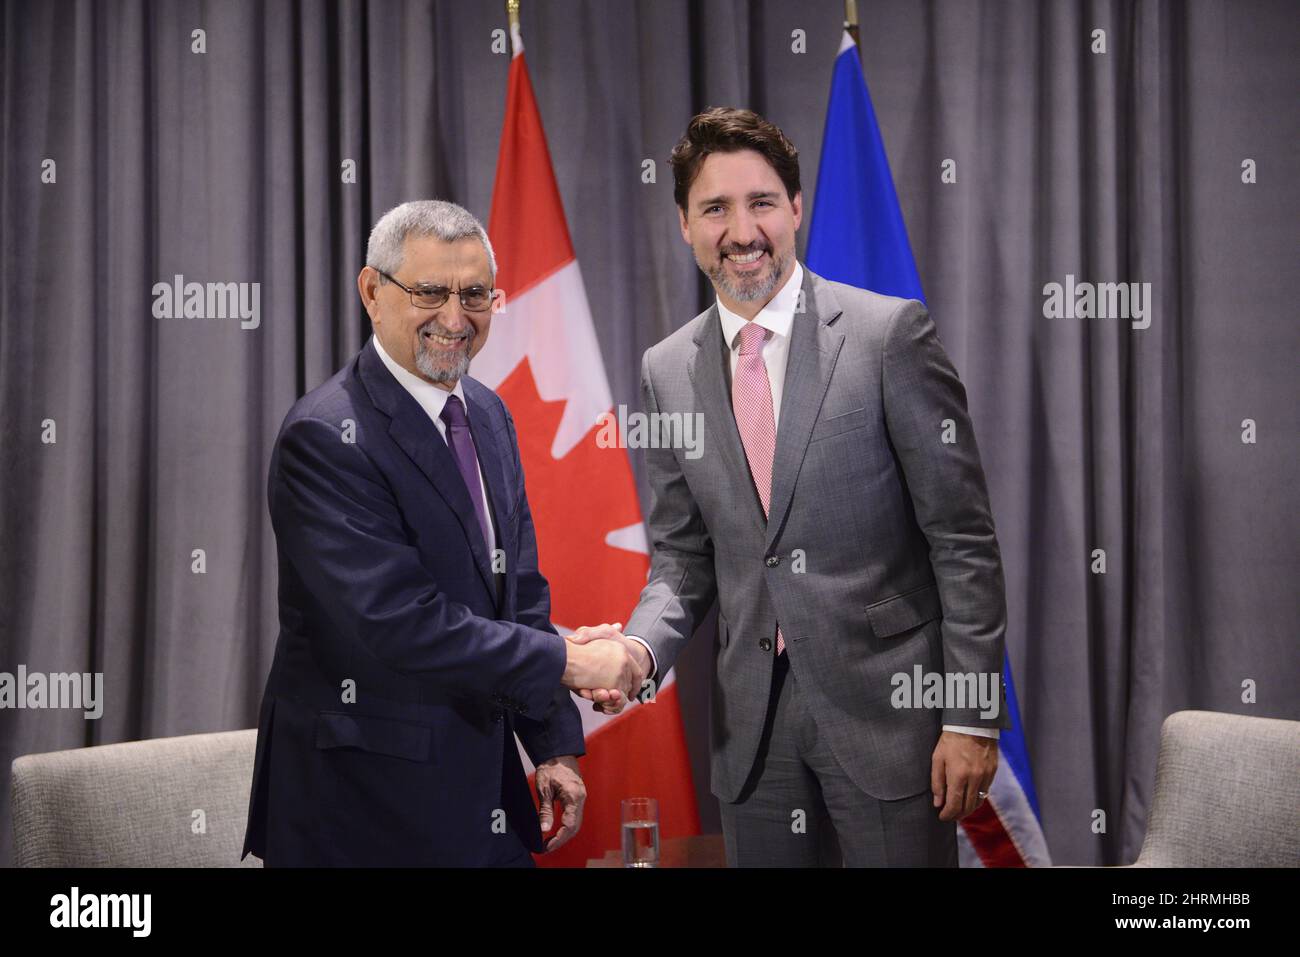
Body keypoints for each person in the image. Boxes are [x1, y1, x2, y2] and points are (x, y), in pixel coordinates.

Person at [571, 108, 1010, 866]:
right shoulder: (666, 370)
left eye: (762, 202)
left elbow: (962, 540)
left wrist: (971, 717)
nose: (742, 230)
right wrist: (639, 650)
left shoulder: (887, 336)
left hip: (891, 721)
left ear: (796, 209)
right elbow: (683, 556)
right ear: (684, 223)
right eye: (715, 208)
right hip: (753, 735)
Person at [241, 200, 640, 866]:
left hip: (485, 796)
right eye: (430, 292)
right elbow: (403, 622)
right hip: (360, 814)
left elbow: (520, 596)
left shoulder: (486, 411)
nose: (455, 319)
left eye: (475, 294)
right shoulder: (326, 435)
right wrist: (571, 660)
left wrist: (552, 744)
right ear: (372, 292)